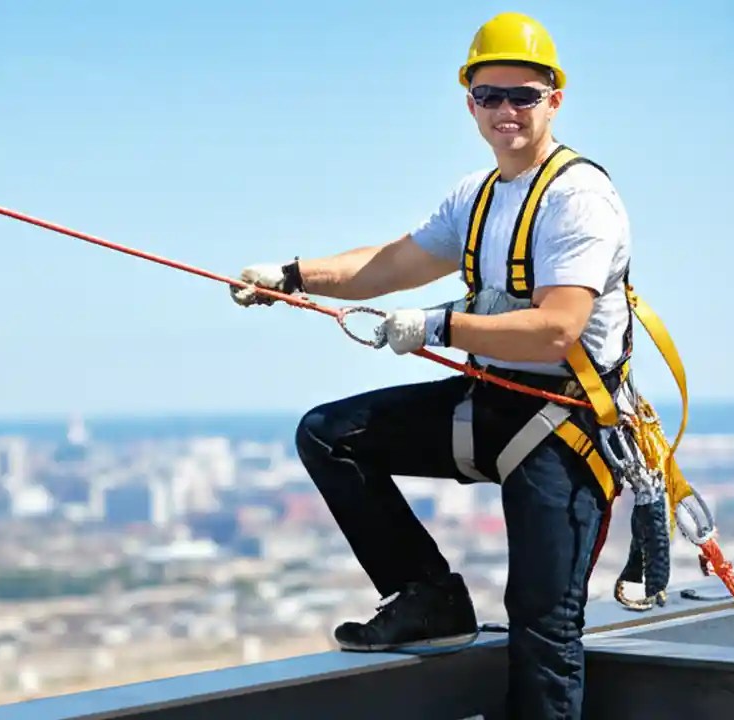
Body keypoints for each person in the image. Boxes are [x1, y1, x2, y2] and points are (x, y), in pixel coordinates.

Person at [229, 12, 635, 720]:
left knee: (542, 626)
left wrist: (440, 324)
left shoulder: (578, 198)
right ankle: (428, 598)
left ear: (555, 101)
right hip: (489, 403)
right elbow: (391, 265)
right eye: (489, 96)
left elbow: (558, 331)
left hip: (561, 424)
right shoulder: (476, 197)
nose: (505, 111)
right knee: (329, 434)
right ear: (468, 101)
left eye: (522, 96)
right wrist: (291, 275)